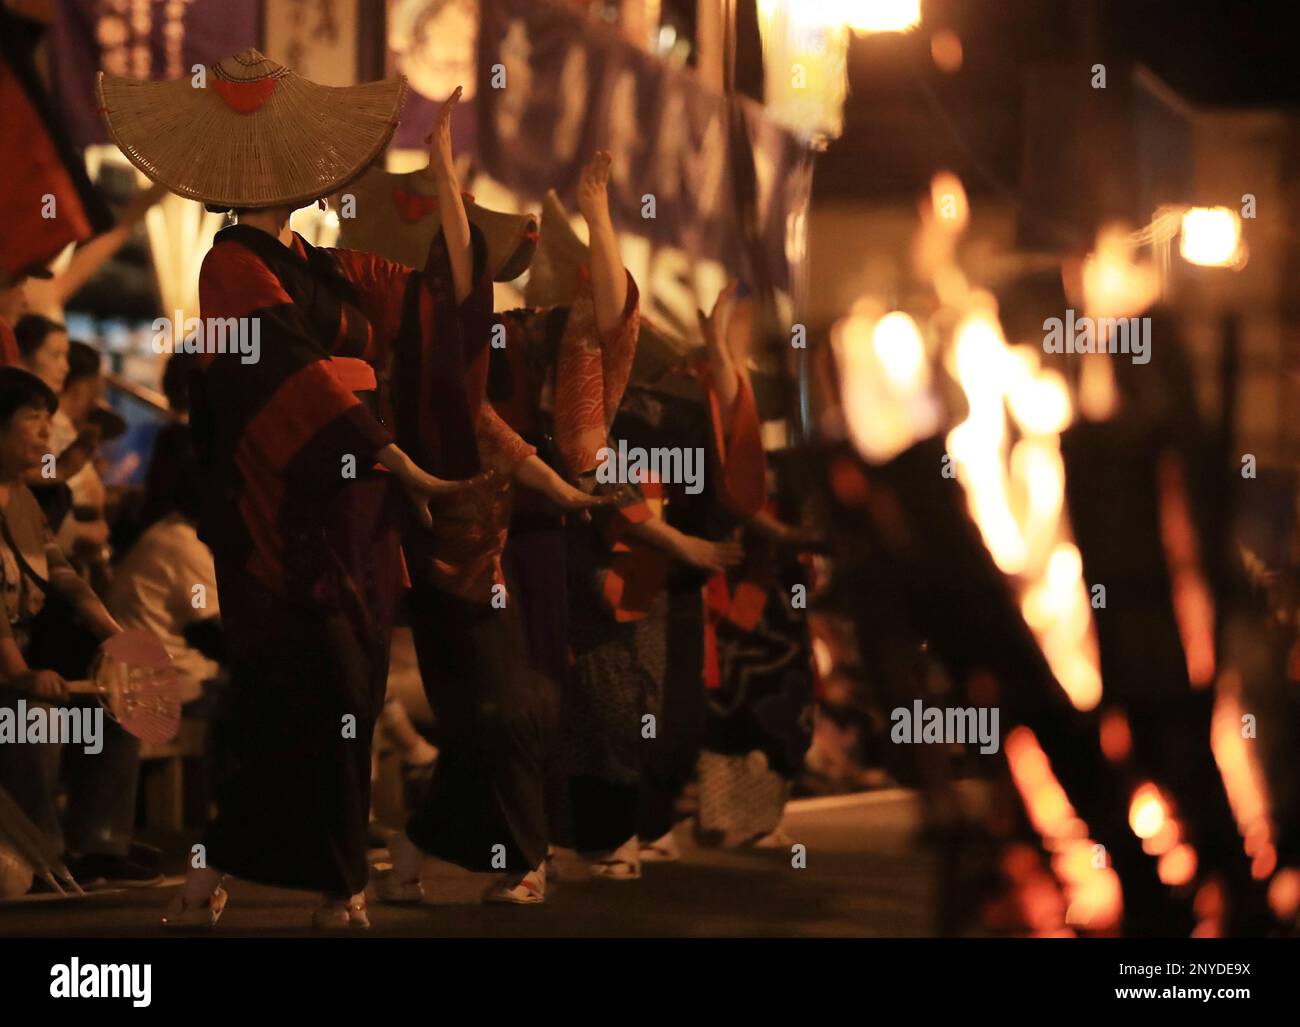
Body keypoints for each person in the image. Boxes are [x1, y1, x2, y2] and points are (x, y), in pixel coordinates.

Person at [97, 48, 498, 930]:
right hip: (285, 509)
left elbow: (441, 302)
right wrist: (399, 460)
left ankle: (292, 878)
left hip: (360, 511)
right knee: (300, 686)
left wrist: (444, 182)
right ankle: (321, 881)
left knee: (350, 693)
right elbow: (292, 384)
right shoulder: (228, 265)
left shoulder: (329, 266)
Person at [0, 366, 153, 888]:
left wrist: (120, 640)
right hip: (9, 677)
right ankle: (43, 856)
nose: (46, 431)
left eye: (48, 419)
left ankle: (99, 847)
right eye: (31, 420)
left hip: (23, 671)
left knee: (118, 705)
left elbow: (64, 578)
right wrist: (21, 673)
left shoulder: (21, 499)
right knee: (34, 717)